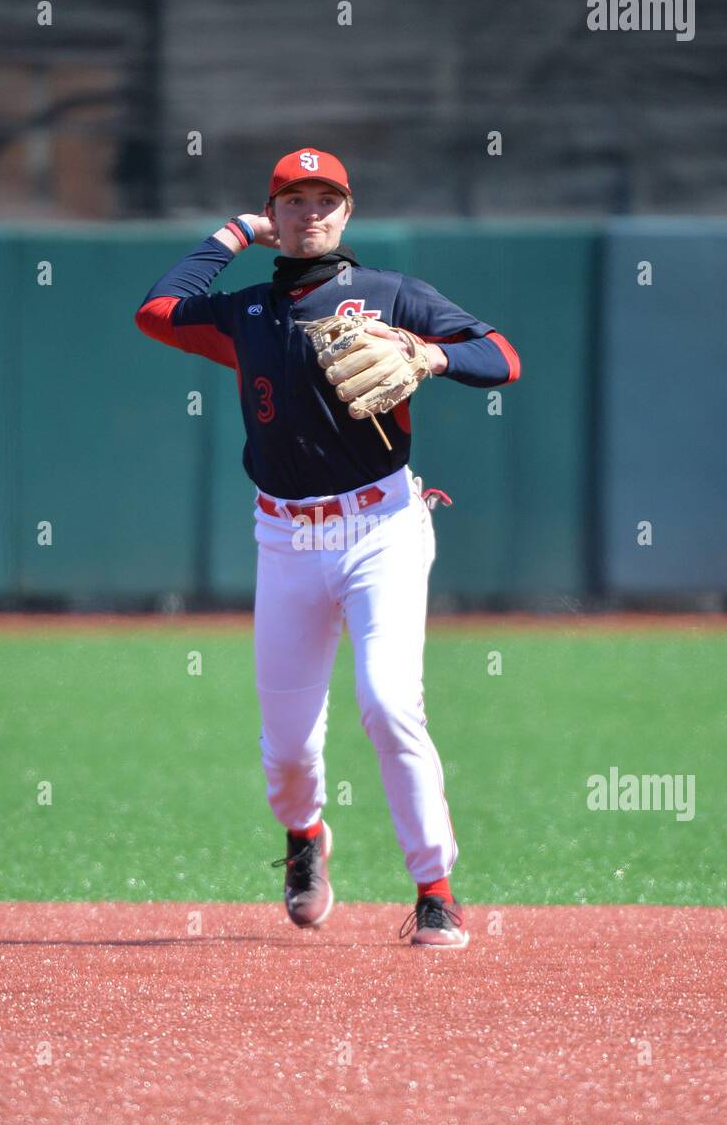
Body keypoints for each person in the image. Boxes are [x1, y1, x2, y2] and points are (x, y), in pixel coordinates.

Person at [135, 147, 520, 948]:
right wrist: (232, 233)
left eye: (327, 199)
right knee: (287, 750)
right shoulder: (243, 315)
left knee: (388, 702)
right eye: (293, 200)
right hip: (285, 539)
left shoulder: (391, 295)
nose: (311, 212)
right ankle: (305, 836)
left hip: (382, 529)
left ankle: (436, 891)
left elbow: (503, 358)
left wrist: (430, 354)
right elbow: (157, 311)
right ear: (272, 216)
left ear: (348, 213)